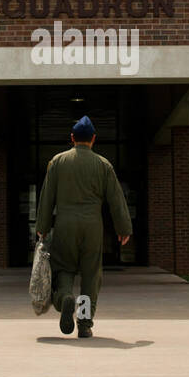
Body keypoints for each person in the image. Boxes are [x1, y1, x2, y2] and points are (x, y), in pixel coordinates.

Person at [35, 115, 132, 338]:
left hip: (65, 225)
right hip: (92, 227)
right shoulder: (103, 164)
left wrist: (42, 226)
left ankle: (65, 298)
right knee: (90, 275)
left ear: (72, 138)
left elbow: (47, 197)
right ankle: (85, 323)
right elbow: (116, 199)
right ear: (93, 139)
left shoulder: (58, 162)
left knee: (63, 269)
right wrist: (123, 228)